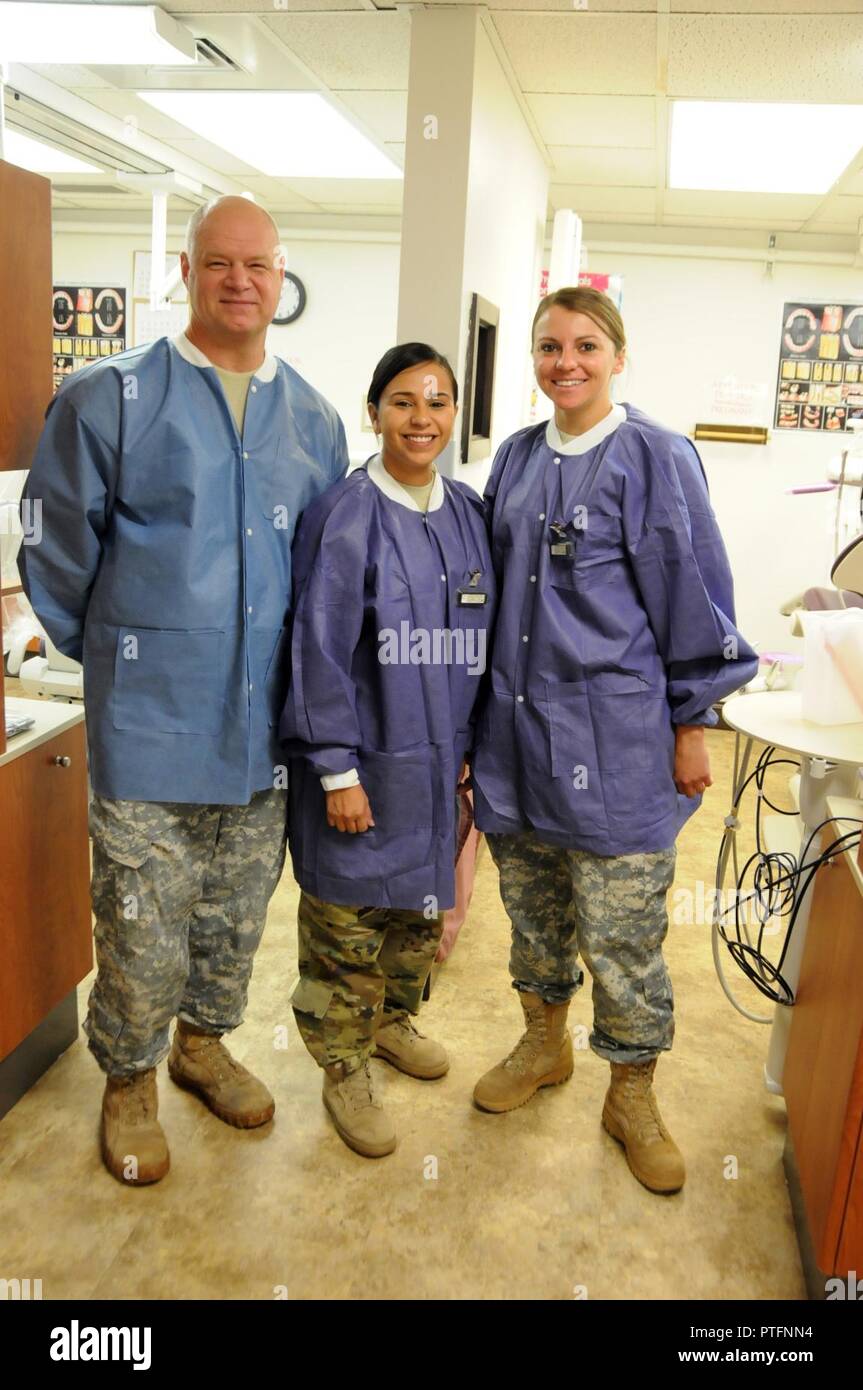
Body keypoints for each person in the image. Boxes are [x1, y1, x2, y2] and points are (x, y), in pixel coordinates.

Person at [20, 196, 348, 1185]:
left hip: (261, 731)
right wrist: (131, 651)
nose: (239, 280)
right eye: (218, 263)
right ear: (187, 271)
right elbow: (56, 553)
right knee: (138, 921)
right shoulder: (109, 398)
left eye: (257, 265)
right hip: (150, 723)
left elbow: (325, 576)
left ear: (280, 276)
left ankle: (202, 1045)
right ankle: (128, 1078)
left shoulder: (316, 419)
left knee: (235, 916)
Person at [470, 286, 758, 1193]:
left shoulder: (655, 457)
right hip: (517, 735)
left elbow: (692, 596)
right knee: (533, 912)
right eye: (549, 347)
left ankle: (630, 1090)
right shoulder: (515, 457)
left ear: (617, 356)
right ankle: (543, 1044)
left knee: (623, 930)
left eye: (586, 346)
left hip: (619, 741)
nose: (567, 363)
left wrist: (691, 728)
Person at [280, 343, 495, 1158]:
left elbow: (484, 641)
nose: (422, 419)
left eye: (438, 402)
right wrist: (336, 768)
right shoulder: (343, 514)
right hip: (362, 767)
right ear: (373, 412)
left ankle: (392, 1025)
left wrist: (475, 755)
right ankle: (343, 1068)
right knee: (347, 929)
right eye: (403, 401)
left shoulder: (468, 513)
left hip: (440, 769)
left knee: (413, 919)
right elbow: (318, 649)